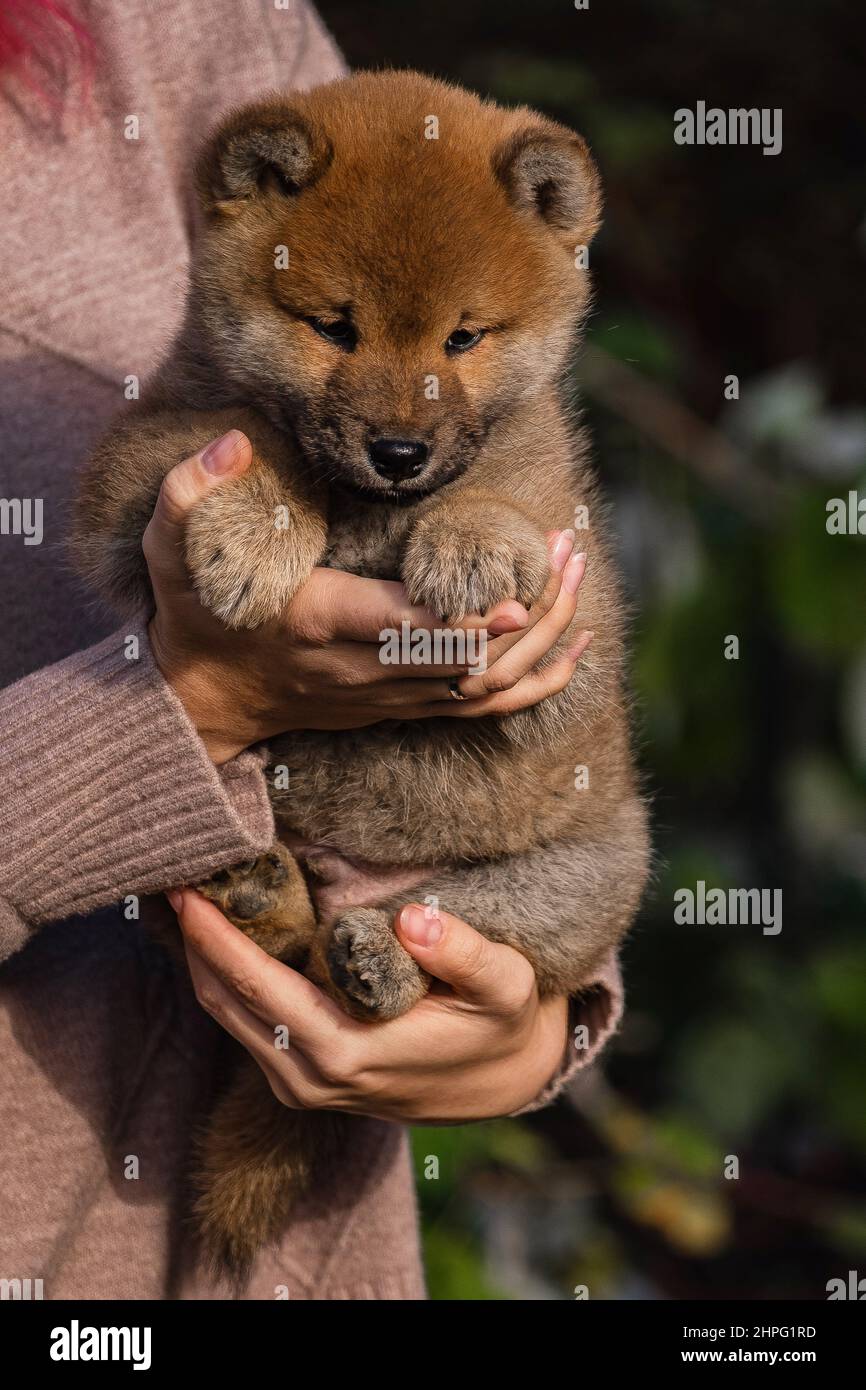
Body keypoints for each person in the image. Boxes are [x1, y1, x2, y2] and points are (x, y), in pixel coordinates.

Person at [0, 0, 622, 1299]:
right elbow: (161, 472)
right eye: (331, 330)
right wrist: (189, 703)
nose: (402, 412)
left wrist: (513, 1017)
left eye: (461, 342)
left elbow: (570, 697)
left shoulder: (195, 21)